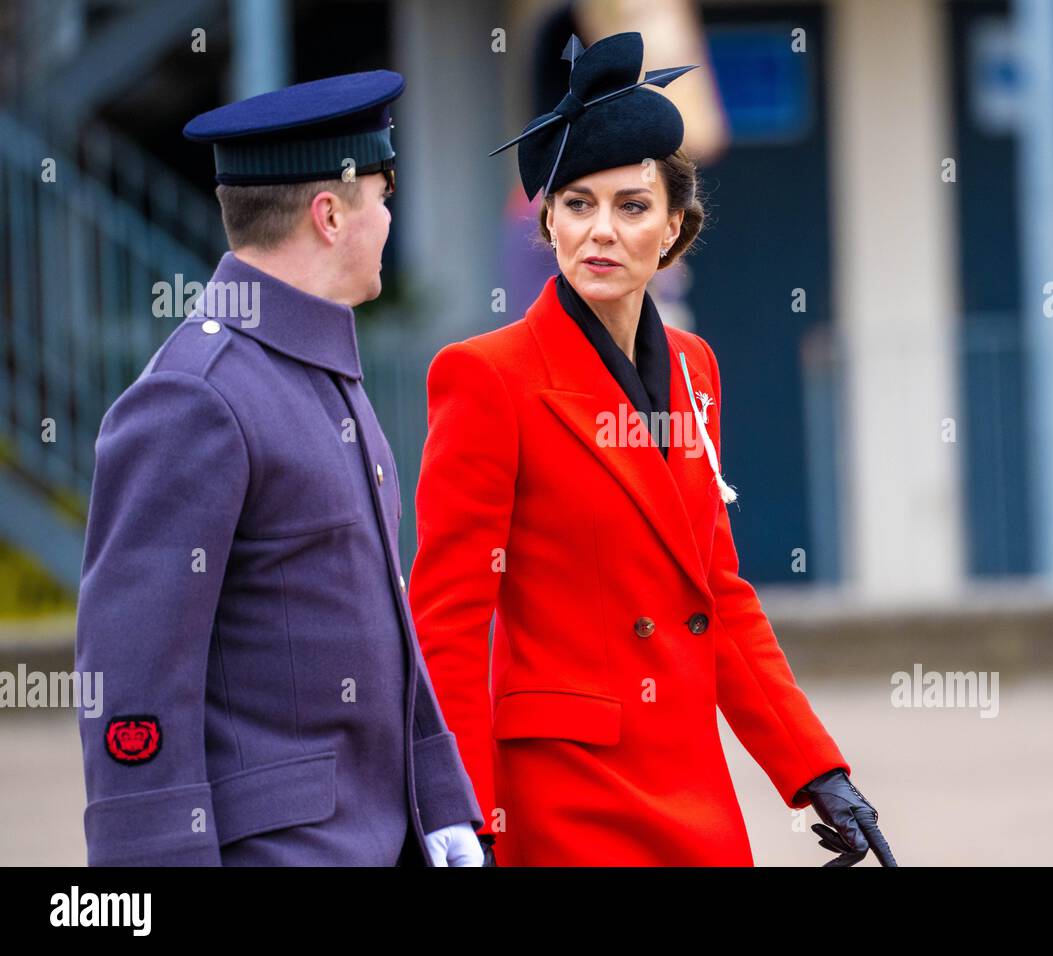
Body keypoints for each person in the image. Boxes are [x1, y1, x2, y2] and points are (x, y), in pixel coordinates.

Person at [409, 32, 896, 867]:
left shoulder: (697, 370)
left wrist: (817, 770)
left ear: (674, 226)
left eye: (631, 207)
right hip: (561, 793)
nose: (601, 231)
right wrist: (463, 815)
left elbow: (717, 592)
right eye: (577, 204)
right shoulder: (485, 376)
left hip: (689, 784)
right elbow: (449, 619)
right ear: (549, 221)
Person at [76, 71, 483, 866]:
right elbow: (133, 683)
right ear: (330, 214)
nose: (391, 217)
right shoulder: (195, 398)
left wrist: (444, 808)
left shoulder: (320, 372)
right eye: (382, 193)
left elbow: (387, 626)